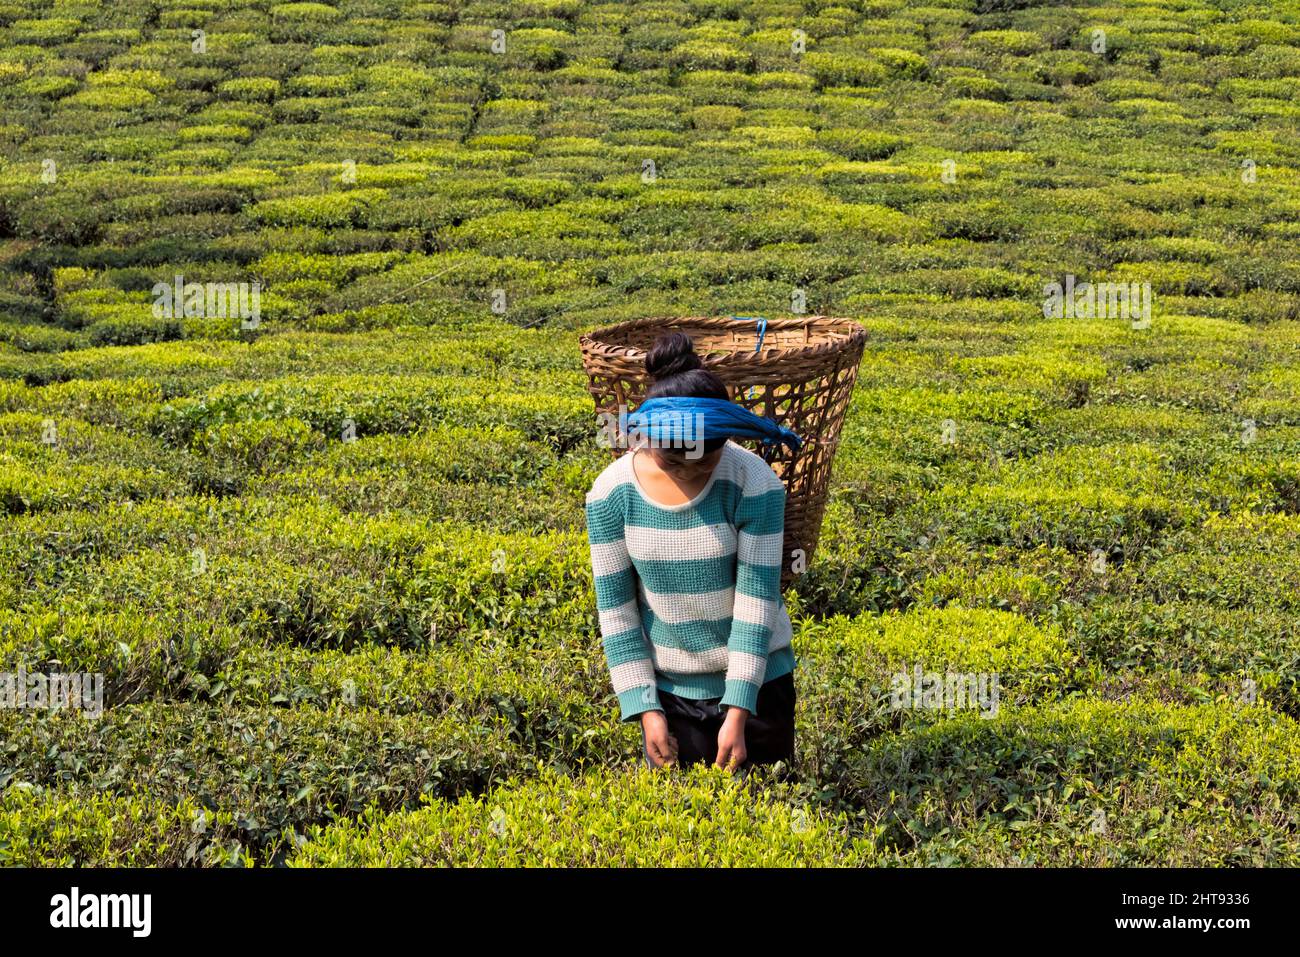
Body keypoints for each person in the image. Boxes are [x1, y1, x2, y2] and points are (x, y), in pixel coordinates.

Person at [584, 330, 800, 778]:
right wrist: (645, 709)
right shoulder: (610, 495)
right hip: (671, 692)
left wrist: (738, 710)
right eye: (675, 460)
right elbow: (618, 612)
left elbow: (756, 602)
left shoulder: (753, 481)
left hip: (759, 686)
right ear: (647, 440)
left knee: (767, 810)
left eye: (708, 454)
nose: (694, 468)